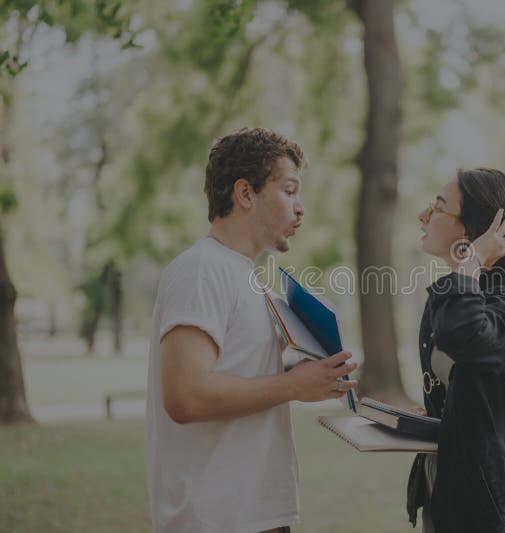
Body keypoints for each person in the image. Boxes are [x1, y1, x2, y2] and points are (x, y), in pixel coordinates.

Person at [145, 127, 357, 533]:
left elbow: (239, 375)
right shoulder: (202, 270)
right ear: (245, 194)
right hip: (216, 520)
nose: (300, 209)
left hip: (254, 516)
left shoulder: (248, 278)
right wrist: (294, 386)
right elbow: (185, 396)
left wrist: (310, 370)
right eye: (289, 191)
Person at [406, 168, 505, 533]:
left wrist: (471, 260)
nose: (422, 216)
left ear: (472, 230)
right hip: (447, 496)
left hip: (492, 511)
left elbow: (463, 335)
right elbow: (475, 389)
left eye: (437, 207)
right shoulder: (454, 294)